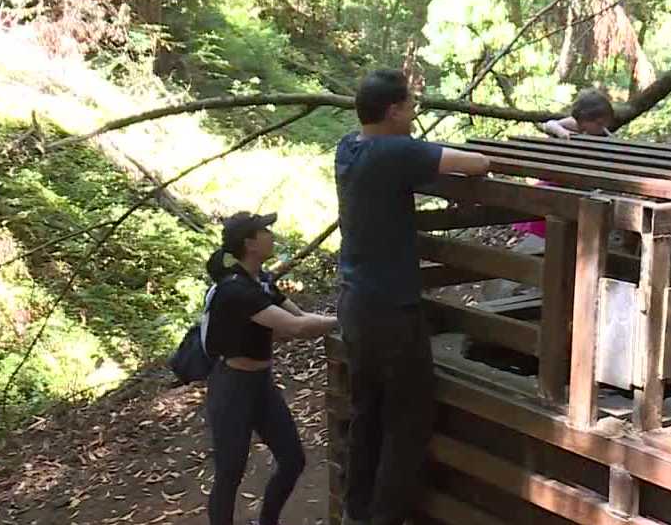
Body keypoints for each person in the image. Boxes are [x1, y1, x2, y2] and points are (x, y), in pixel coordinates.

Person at [335, 69, 490, 525]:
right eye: (410, 105)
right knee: (409, 420)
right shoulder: (395, 151)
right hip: (390, 311)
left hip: (355, 302)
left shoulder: (349, 147)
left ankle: (354, 511)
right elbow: (476, 164)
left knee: (368, 412)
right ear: (393, 111)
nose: (415, 113)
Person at [204, 211, 338, 525]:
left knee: (292, 460)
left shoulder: (261, 281)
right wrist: (346, 320)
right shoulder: (236, 290)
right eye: (265, 230)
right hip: (232, 387)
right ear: (250, 243)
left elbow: (300, 316)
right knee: (230, 472)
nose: (271, 235)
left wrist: (327, 321)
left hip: (260, 384)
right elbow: (296, 327)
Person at [540, 88, 616, 139]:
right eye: (599, 124)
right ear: (585, 118)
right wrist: (561, 132)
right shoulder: (573, 123)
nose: (603, 127)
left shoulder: (602, 131)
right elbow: (549, 124)